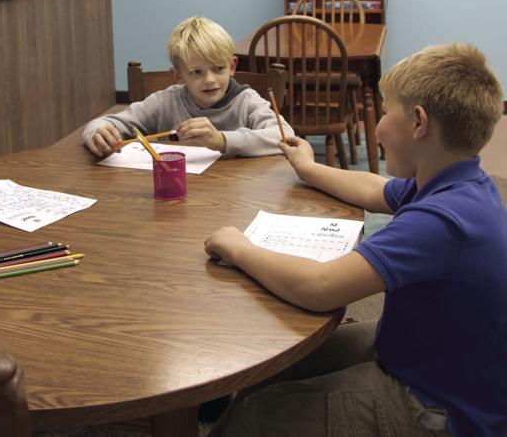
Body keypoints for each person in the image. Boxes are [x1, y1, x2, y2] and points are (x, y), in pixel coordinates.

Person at [205, 43, 506, 436]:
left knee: (254, 417)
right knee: (271, 365)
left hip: (437, 406)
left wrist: (240, 248)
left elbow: (319, 287)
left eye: (384, 112)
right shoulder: (457, 181)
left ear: (419, 123)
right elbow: (375, 189)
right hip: (426, 354)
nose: (376, 127)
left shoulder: (441, 222)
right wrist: (309, 168)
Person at [82, 16, 293, 158]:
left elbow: (284, 136)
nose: (209, 80)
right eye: (196, 72)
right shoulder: (165, 102)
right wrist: (98, 133)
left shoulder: (246, 101)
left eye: (218, 68)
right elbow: (103, 123)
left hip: (233, 197)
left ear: (232, 66)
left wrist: (221, 140)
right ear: (178, 75)